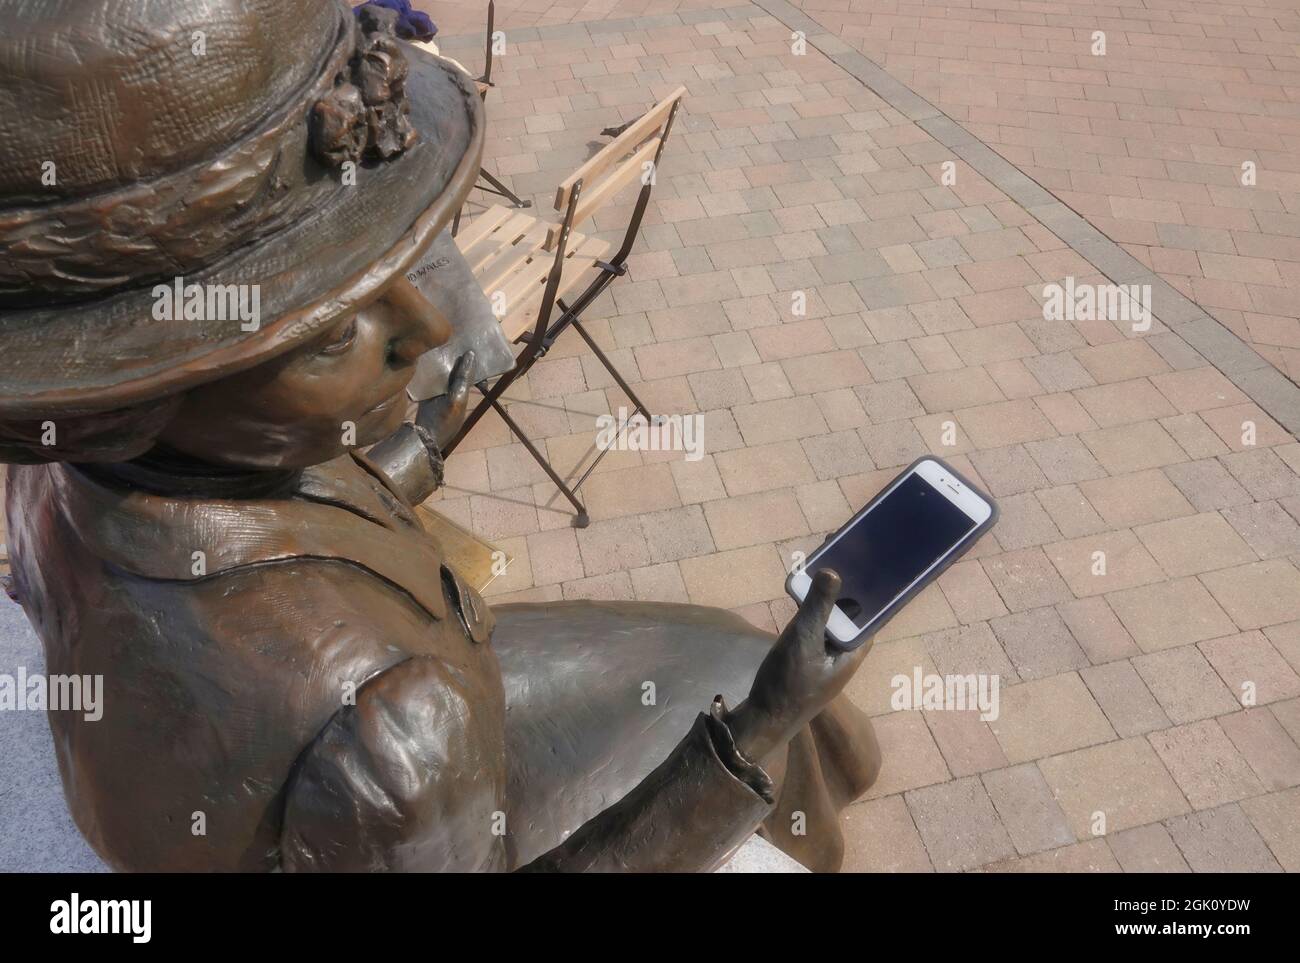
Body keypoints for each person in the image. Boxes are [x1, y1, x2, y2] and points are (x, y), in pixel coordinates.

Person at [0, 0, 879, 872]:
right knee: (759, 690)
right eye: (334, 333)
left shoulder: (60, 462)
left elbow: (255, 514)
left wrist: (416, 451)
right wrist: (757, 729)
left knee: (735, 649)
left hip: (365, 732)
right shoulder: (400, 734)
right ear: (151, 381)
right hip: (407, 758)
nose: (425, 329)